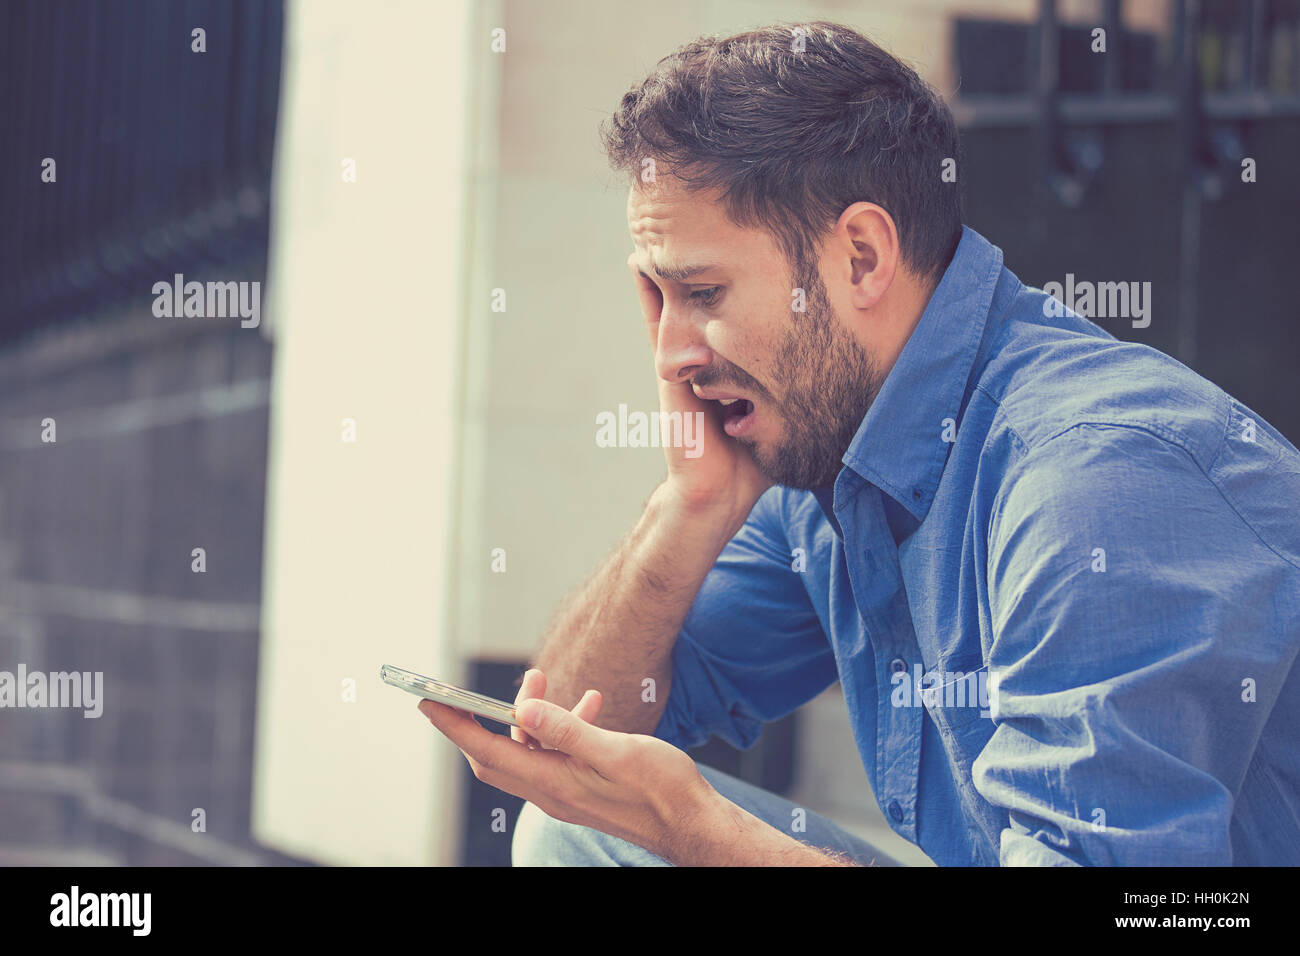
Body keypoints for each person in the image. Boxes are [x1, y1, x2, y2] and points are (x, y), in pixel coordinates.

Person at [419, 20, 1300, 866]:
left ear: (863, 259)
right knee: (576, 830)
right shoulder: (830, 461)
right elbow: (577, 734)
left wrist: (706, 837)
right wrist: (685, 504)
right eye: (658, 297)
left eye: (704, 292)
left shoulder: (1098, 485)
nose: (670, 355)